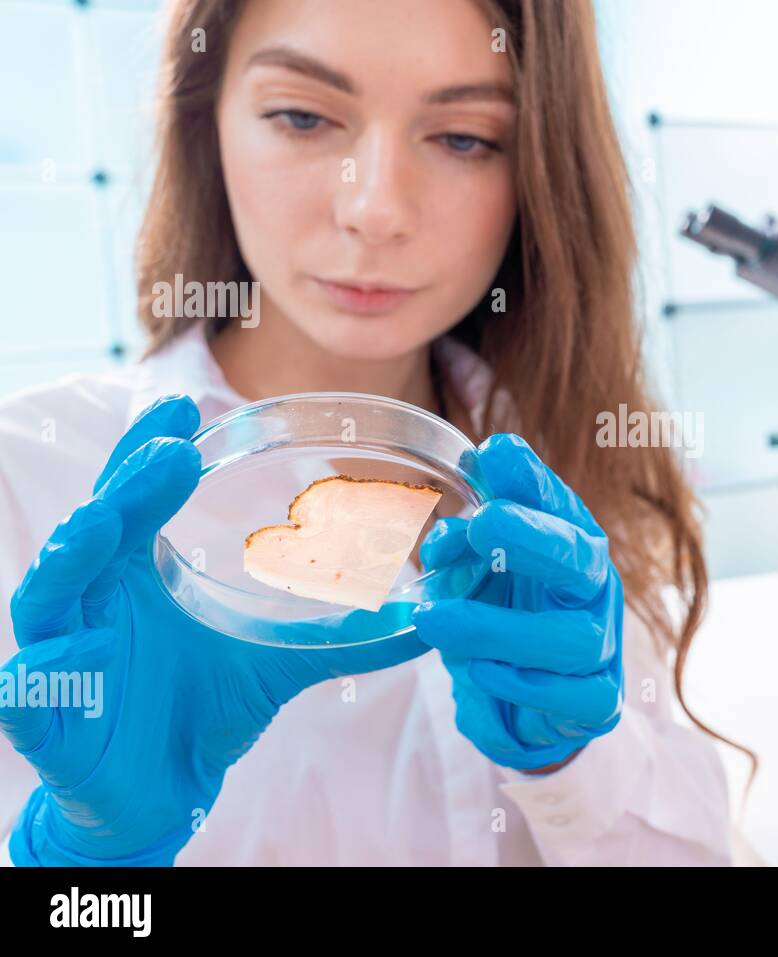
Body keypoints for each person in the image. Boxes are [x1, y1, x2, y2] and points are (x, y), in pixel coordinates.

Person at [0, 0, 739, 866]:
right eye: (302, 116)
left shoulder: (575, 466)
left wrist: (575, 762)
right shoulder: (29, 477)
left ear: (540, 165)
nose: (377, 208)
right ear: (208, 126)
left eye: (464, 137)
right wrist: (81, 863)